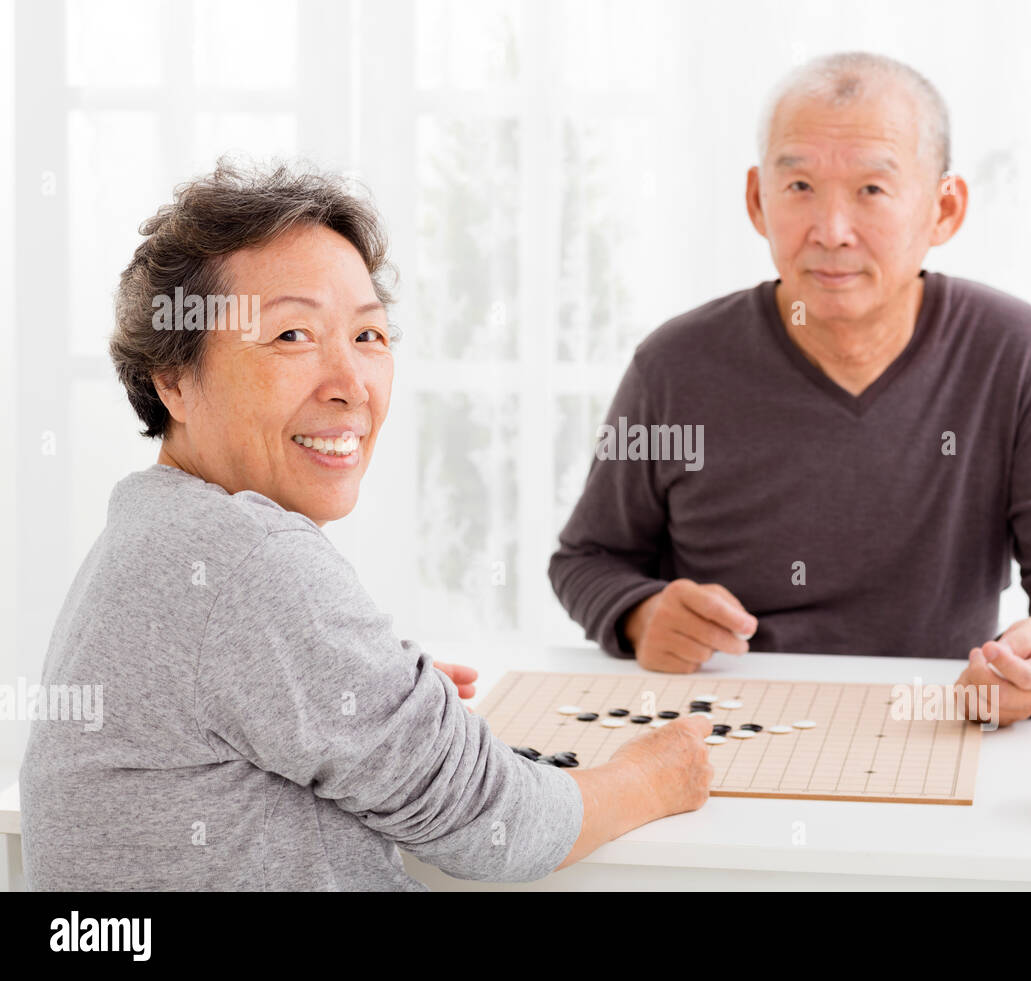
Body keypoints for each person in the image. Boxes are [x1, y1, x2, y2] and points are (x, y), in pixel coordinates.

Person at [20, 161, 712, 891]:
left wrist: (354, 701)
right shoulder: (246, 559)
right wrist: (650, 777)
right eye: (291, 334)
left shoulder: (156, 526)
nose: (350, 383)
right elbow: (499, 825)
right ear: (174, 378)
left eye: (370, 336)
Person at [549, 52, 1031, 726]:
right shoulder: (673, 366)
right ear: (756, 200)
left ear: (944, 210)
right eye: (798, 186)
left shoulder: (1017, 354)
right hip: (717, 727)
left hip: (934, 724)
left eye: (872, 191)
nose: (830, 232)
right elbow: (588, 559)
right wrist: (638, 614)